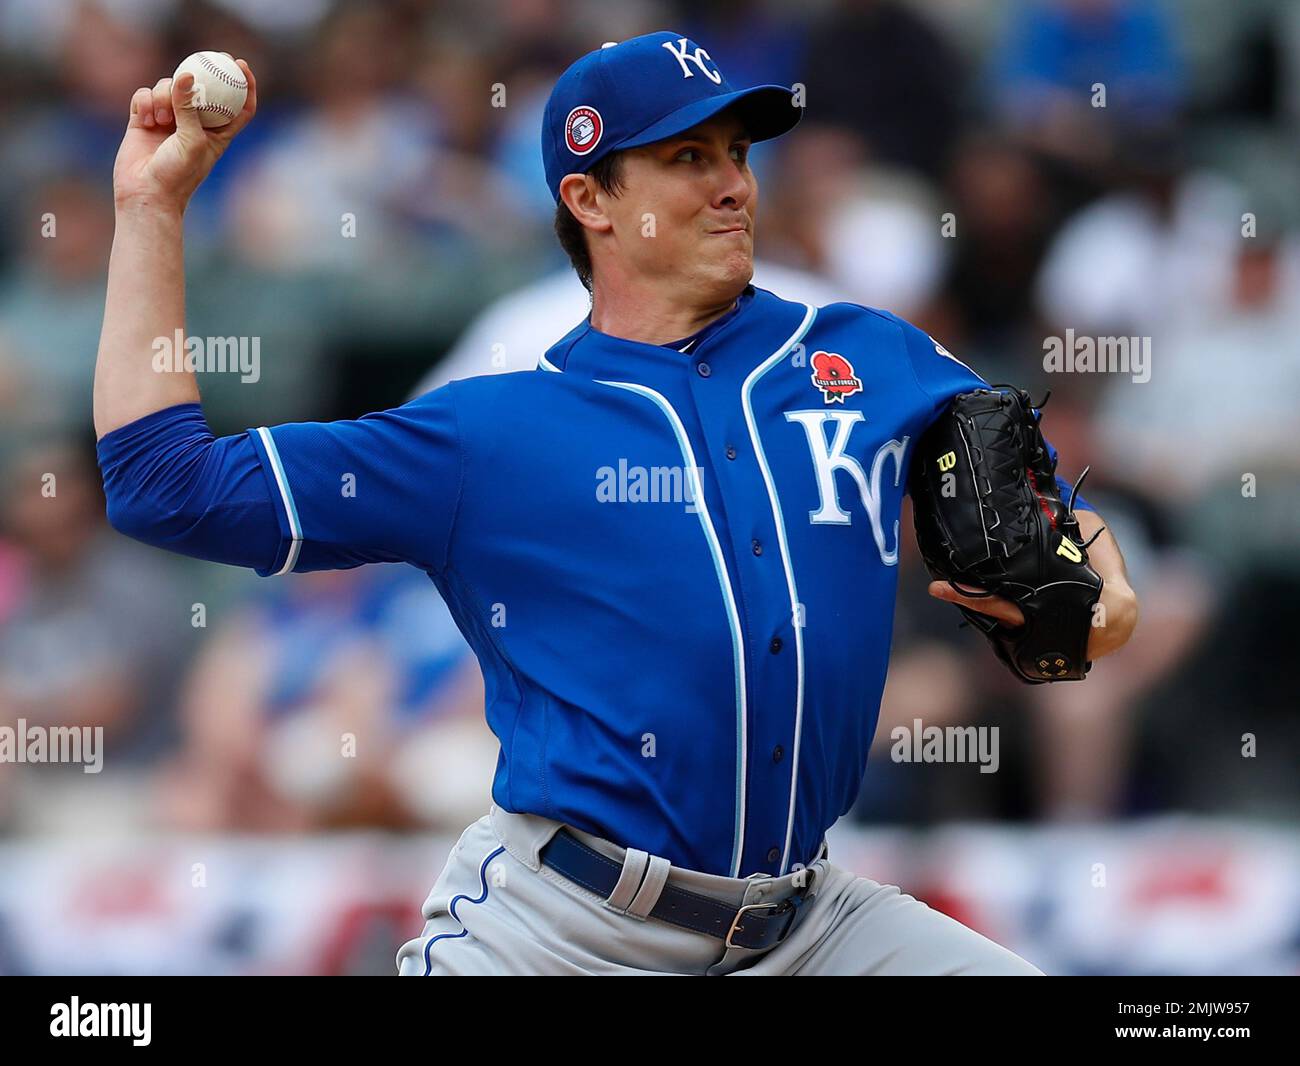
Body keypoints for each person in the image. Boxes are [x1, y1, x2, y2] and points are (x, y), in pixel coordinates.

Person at [94, 33, 1137, 975]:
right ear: (591, 200)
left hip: (806, 926)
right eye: (688, 158)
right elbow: (163, 487)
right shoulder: (492, 435)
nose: (732, 183)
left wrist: (1098, 571)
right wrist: (151, 212)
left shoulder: (867, 355)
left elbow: (1031, 488)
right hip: (562, 931)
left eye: (737, 151)